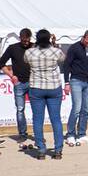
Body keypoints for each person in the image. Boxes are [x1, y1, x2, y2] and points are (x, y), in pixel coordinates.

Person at [24, 29, 66, 160]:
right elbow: (63, 58)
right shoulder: (55, 51)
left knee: (38, 119)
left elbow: (25, 61)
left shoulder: (29, 52)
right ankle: (58, 149)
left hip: (36, 87)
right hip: (53, 87)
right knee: (56, 119)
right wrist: (54, 44)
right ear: (49, 39)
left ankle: (41, 149)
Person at [0, 28, 35, 144]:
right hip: (18, 83)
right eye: (23, 40)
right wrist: (10, 75)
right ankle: (22, 133)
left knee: (36, 108)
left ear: (30, 38)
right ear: (20, 38)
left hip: (33, 82)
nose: (25, 43)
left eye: (27, 40)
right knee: (20, 109)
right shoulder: (13, 48)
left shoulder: (34, 47)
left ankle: (37, 133)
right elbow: (1, 63)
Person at [65, 30, 88, 145]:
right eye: (87, 41)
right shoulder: (74, 48)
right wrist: (66, 83)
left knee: (85, 109)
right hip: (76, 81)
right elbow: (67, 65)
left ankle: (82, 134)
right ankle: (70, 134)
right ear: (83, 38)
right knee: (76, 108)